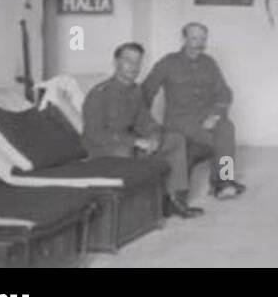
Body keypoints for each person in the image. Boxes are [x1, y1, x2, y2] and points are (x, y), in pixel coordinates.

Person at [82, 43, 203, 219]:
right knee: (126, 151)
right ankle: (135, 210)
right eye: (128, 61)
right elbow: (95, 134)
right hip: (105, 147)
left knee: (183, 140)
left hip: (138, 141)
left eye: (138, 62)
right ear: (116, 62)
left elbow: (145, 121)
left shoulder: (136, 90)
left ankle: (179, 198)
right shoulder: (100, 93)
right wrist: (138, 140)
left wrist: (153, 135)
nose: (134, 67)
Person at [141, 23, 247, 199]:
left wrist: (215, 115)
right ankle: (221, 182)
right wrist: (144, 125)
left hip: (207, 117)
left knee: (227, 129)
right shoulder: (167, 63)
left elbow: (224, 92)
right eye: (194, 39)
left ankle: (224, 180)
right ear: (184, 39)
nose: (199, 44)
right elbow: (146, 92)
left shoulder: (209, 63)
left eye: (203, 39)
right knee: (219, 141)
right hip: (180, 122)